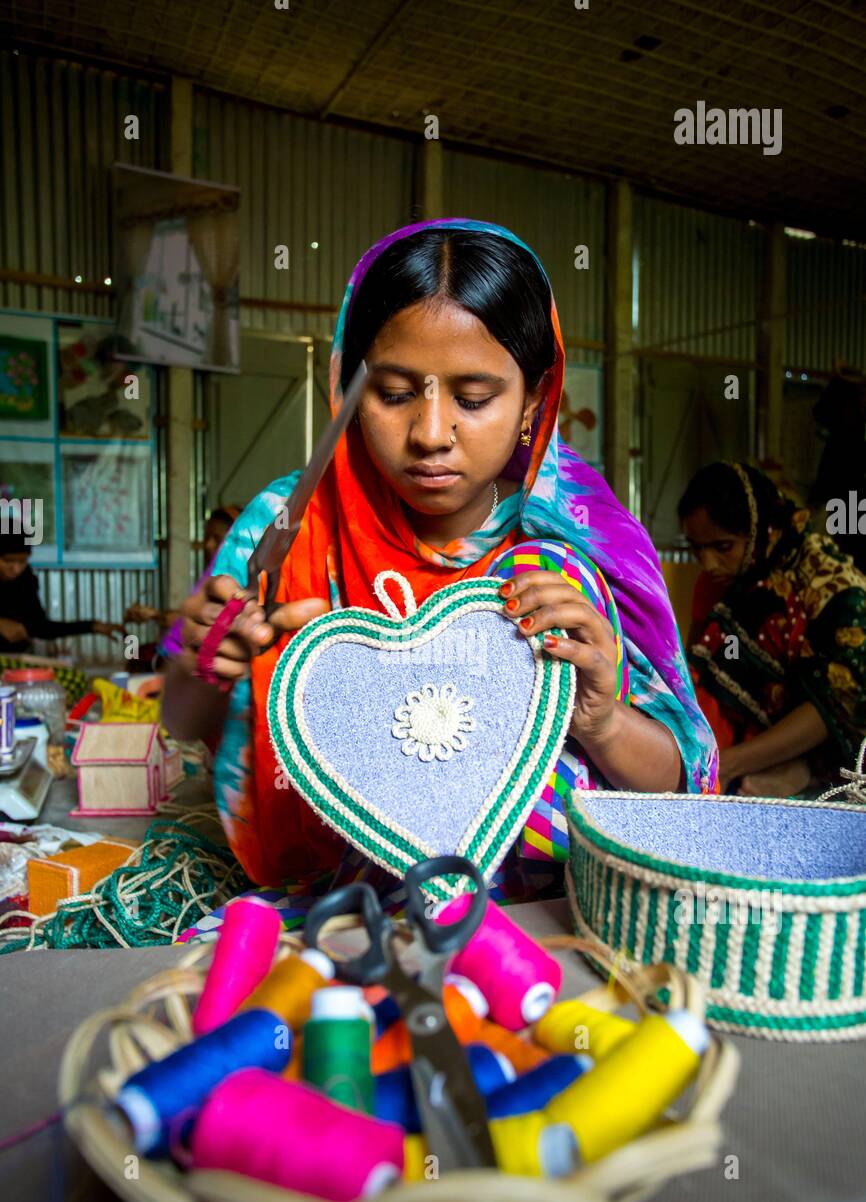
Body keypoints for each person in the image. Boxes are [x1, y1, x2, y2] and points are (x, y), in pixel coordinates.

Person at [164, 219, 717, 897]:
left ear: (533, 403)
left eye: (474, 398)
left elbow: (679, 788)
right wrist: (205, 665)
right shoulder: (287, 526)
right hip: (341, 906)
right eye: (394, 393)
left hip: (539, 923)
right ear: (347, 385)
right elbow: (182, 723)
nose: (431, 434)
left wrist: (604, 723)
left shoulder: (579, 547)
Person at [679, 460, 866, 798]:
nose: (707, 564)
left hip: (828, 745)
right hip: (736, 745)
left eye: (722, 547)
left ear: (761, 531)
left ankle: (808, 771)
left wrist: (729, 763)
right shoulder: (723, 583)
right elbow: (693, 674)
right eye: (696, 548)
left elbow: (838, 704)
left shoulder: (833, 587)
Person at [124, 507, 241, 645]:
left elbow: (196, 622)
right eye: (206, 537)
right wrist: (155, 615)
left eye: (217, 539)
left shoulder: (237, 583)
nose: (208, 545)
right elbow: (193, 616)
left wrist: (155, 615)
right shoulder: (212, 577)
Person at [0, 532, 122, 653]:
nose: (16, 569)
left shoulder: (25, 580)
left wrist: (92, 626)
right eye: (8, 561)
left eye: (22, 561)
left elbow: (39, 627)